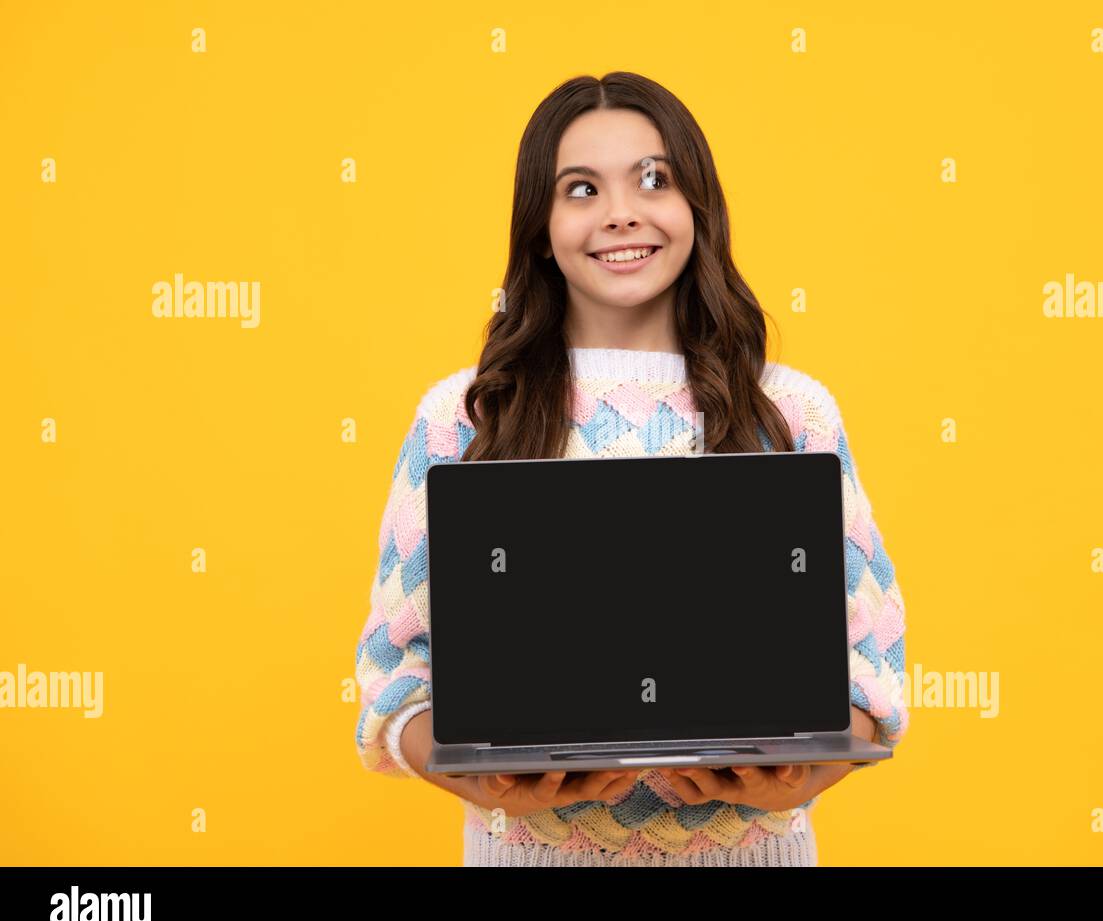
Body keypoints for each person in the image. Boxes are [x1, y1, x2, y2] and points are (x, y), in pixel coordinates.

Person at [353, 71, 909, 866]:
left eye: (654, 179)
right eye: (581, 188)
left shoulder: (791, 412)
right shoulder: (466, 414)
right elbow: (390, 676)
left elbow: (870, 670)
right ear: (540, 227)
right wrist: (480, 779)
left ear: (698, 209)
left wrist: (799, 776)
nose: (621, 211)